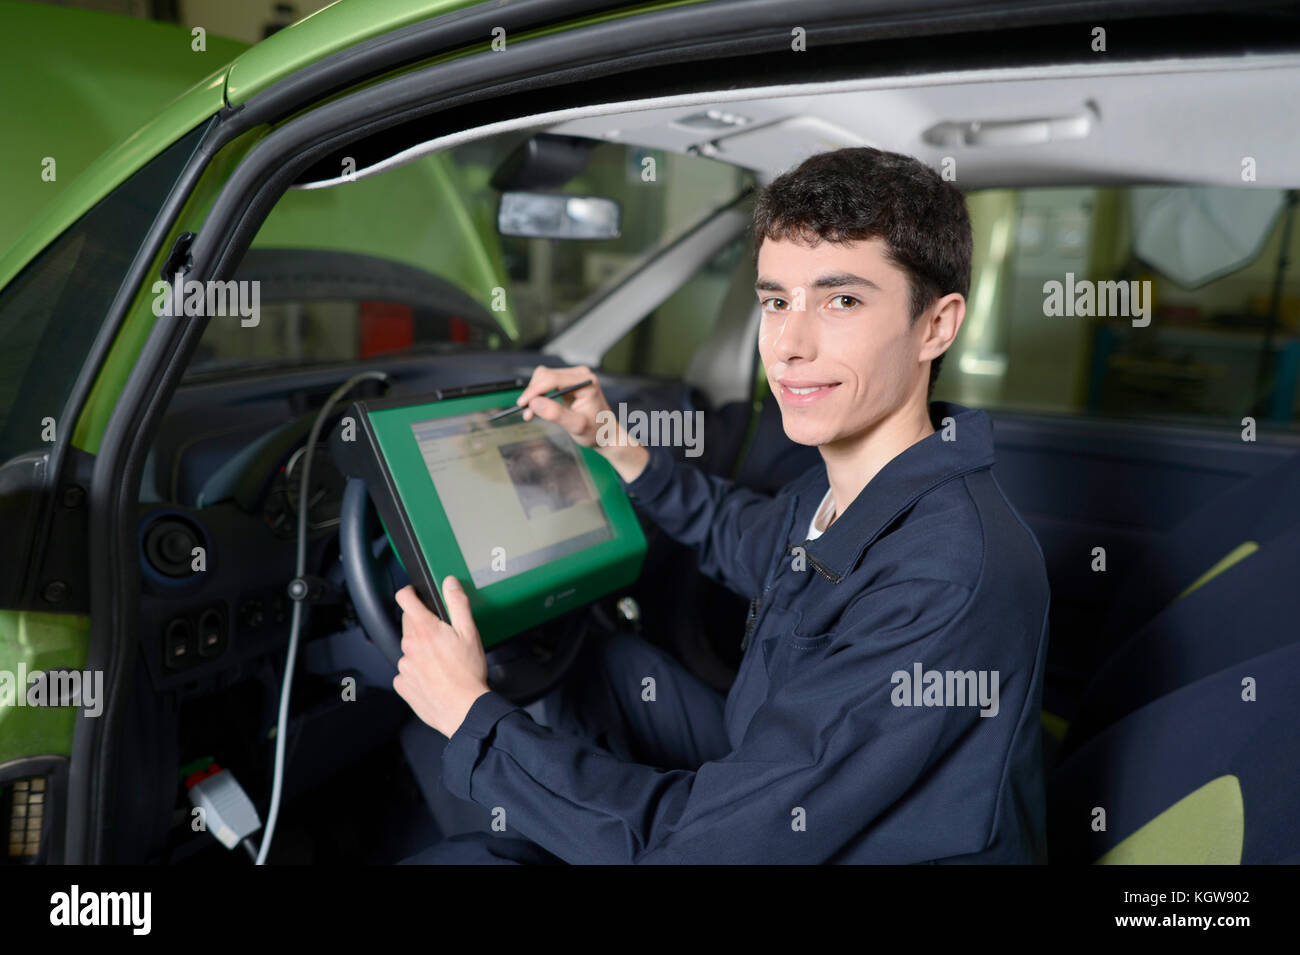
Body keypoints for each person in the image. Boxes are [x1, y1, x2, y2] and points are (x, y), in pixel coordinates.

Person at [393, 146, 1051, 864]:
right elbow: (737, 533)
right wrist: (610, 439)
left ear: (938, 325)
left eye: (843, 300)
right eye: (776, 300)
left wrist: (469, 718)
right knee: (607, 665)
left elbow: (705, 847)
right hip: (779, 768)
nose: (789, 344)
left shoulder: (943, 577)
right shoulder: (850, 486)